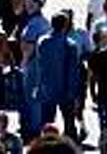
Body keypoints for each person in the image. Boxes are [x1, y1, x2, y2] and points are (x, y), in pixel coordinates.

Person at [29, 12, 83, 141]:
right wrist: (74, 92)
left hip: (46, 88)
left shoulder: (42, 42)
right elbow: (72, 71)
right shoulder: (70, 44)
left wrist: (37, 86)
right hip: (65, 89)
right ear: (65, 25)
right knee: (69, 123)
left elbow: (39, 66)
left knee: (47, 123)